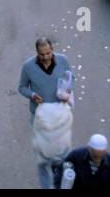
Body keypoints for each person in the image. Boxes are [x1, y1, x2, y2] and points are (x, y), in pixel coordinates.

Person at [18, 38, 74, 189]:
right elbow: (22, 87)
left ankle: (57, 176)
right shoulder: (28, 67)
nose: (45, 57)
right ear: (37, 53)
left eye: (48, 53)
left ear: (52, 50)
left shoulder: (63, 61)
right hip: (39, 116)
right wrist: (32, 95)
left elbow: (70, 78)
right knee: (43, 157)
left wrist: (66, 92)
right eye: (42, 54)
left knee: (60, 153)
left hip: (60, 114)